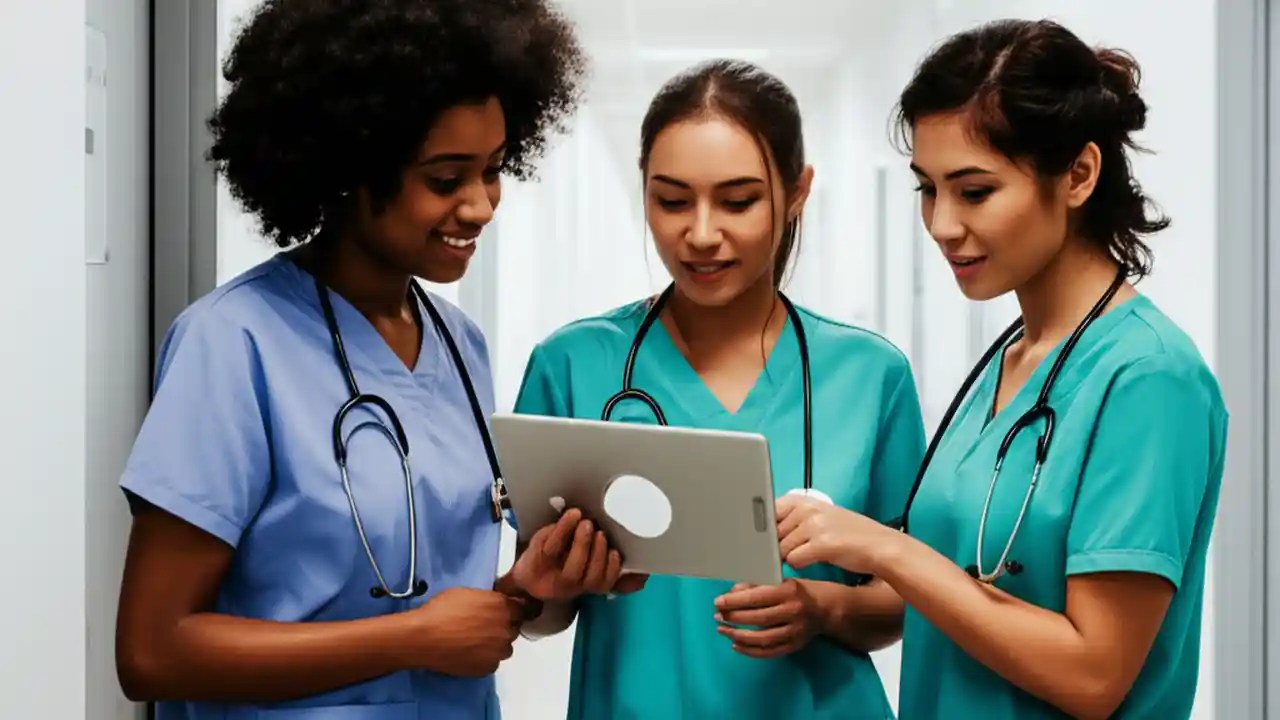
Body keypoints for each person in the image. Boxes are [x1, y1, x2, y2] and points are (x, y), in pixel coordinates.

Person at [113, 1, 636, 717]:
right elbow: (153, 650)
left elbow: (444, 611)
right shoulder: (233, 343)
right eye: (446, 179)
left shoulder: (459, 344)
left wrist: (527, 590)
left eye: (494, 169)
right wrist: (409, 639)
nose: (482, 205)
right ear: (351, 169)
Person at [776, 19, 1227, 720]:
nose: (942, 224)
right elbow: (969, 576)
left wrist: (887, 551)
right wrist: (822, 606)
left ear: (1078, 175)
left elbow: (1093, 675)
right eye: (928, 189)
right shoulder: (1009, 362)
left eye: (975, 191)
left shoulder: (1149, 379)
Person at [512, 59, 926, 719]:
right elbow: (539, 613)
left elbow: (906, 598)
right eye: (672, 200)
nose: (700, 234)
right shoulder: (571, 365)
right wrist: (550, 586)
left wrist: (825, 608)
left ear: (797, 192)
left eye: (738, 201)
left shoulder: (869, 375)